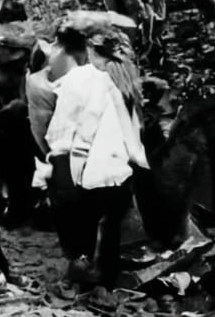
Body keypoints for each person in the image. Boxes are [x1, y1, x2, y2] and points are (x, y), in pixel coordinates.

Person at [33, 20, 149, 288]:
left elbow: (61, 130)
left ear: (90, 50)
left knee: (69, 208)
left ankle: (81, 261)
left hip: (85, 171)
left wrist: (54, 157)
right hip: (121, 173)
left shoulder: (80, 78)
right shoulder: (129, 79)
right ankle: (107, 272)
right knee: (110, 221)